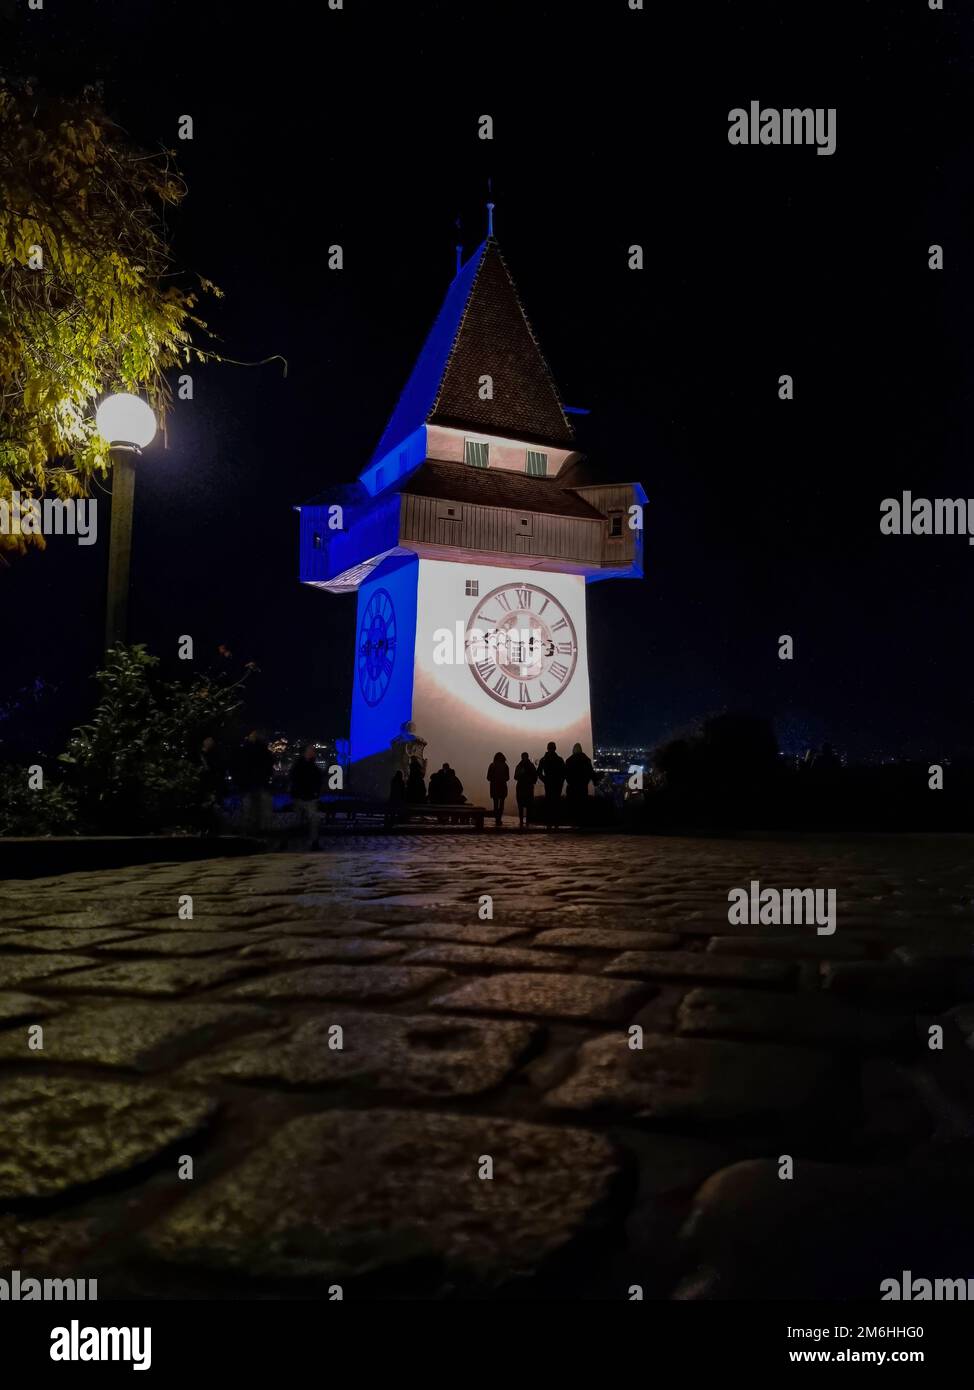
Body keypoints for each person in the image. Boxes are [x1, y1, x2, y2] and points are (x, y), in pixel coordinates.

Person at [234, 730, 274, 836]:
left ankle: (251, 832)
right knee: (257, 810)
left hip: (252, 784)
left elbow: (238, 766)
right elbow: (269, 765)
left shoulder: (245, 749)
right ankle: (259, 832)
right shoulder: (262, 750)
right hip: (256, 784)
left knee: (250, 811)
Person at [288, 743, 323, 850]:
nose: (312, 753)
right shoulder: (303, 766)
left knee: (311, 820)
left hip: (307, 797)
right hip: (303, 797)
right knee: (305, 819)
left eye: (313, 751)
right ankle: (308, 842)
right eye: (310, 751)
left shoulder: (306, 766)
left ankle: (312, 841)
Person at [198, 735, 226, 837]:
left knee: (211, 807)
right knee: (206, 807)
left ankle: (211, 829)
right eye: (208, 740)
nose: (211, 742)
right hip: (205, 784)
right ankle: (205, 828)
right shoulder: (201, 755)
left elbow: (217, 769)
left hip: (211, 784)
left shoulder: (213, 755)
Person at [537, 741, 566, 829]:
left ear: (547, 748)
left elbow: (539, 772)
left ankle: (549, 821)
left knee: (549, 802)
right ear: (555, 748)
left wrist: (545, 780)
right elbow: (564, 773)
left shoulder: (544, 759)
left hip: (549, 783)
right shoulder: (559, 759)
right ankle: (556, 821)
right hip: (556, 783)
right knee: (556, 802)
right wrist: (560, 781)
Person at [565, 742, 596, 816]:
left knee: (572, 808)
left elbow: (566, 774)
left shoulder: (569, 760)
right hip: (583, 787)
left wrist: (569, 782)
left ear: (573, 750)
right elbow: (591, 773)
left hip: (572, 787)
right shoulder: (586, 760)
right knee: (582, 808)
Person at [513, 752, 538, 829]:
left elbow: (515, 777)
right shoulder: (529, 766)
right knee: (525, 805)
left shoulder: (520, 766)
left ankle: (524, 821)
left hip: (523, 787)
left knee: (523, 805)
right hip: (525, 787)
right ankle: (524, 821)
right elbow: (516, 776)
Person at [486, 752, 510, 827]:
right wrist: (502, 779)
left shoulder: (492, 765)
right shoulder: (505, 766)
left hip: (494, 787)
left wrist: (494, 779)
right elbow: (508, 777)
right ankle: (499, 818)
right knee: (501, 804)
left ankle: (497, 818)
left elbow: (488, 777)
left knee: (495, 804)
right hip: (502, 787)